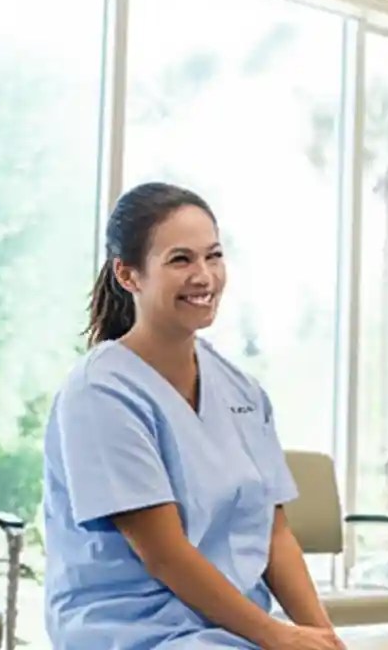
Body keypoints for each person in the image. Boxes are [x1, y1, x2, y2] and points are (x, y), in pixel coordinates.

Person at [42, 182, 343, 650]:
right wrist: (277, 637)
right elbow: (164, 555)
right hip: (134, 633)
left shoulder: (242, 390)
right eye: (180, 260)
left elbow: (274, 534)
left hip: (231, 630)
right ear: (128, 275)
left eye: (214, 256)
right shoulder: (100, 392)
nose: (204, 276)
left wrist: (325, 639)